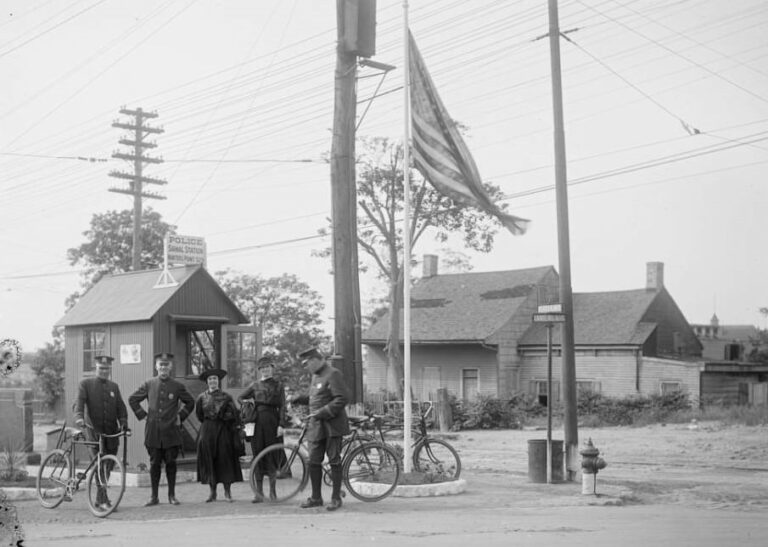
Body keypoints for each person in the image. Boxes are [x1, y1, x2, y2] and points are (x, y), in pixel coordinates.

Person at [129, 352, 195, 507]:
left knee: (171, 464)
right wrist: (143, 415)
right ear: (156, 366)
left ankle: (172, 495)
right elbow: (133, 399)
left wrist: (180, 416)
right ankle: (154, 496)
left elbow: (190, 402)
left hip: (171, 432)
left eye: (166, 365)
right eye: (161, 364)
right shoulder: (149, 383)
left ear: (170, 367)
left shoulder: (177, 386)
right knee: (154, 464)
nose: (163, 367)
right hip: (153, 432)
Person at [291, 347, 349, 511]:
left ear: (315, 360)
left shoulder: (333, 373)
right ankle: (316, 497)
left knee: (334, 461)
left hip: (332, 426)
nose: (306, 368)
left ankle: (336, 498)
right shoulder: (316, 376)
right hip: (316, 427)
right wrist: (296, 398)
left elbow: (342, 398)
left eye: (307, 363)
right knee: (314, 462)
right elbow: (314, 397)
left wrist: (322, 412)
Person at [73, 355, 129, 511]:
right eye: (101, 368)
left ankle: (100, 499)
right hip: (94, 433)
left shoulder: (114, 387)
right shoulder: (86, 384)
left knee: (109, 465)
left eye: (107, 369)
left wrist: (123, 422)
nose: (104, 371)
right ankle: (103, 500)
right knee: (98, 466)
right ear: (95, 368)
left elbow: (121, 408)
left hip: (111, 433)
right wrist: (79, 418)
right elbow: (79, 404)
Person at [237, 354, 288, 503]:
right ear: (259, 370)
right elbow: (240, 397)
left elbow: (283, 406)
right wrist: (249, 404)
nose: (265, 370)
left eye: (267, 367)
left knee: (271, 454)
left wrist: (281, 424)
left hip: (273, 422)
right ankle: (259, 493)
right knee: (258, 454)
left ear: (272, 368)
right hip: (257, 422)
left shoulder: (279, 385)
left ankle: (273, 492)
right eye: (262, 368)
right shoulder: (255, 385)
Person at [195, 368, 243, 502]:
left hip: (223, 430)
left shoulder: (226, 397)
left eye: (215, 379)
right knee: (209, 459)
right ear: (207, 381)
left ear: (218, 381)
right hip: (207, 429)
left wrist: (227, 419)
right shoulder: (201, 397)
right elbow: (199, 414)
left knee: (224, 459)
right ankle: (212, 492)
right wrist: (208, 423)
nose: (212, 381)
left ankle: (227, 492)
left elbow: (234, 414)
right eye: (210, 379)